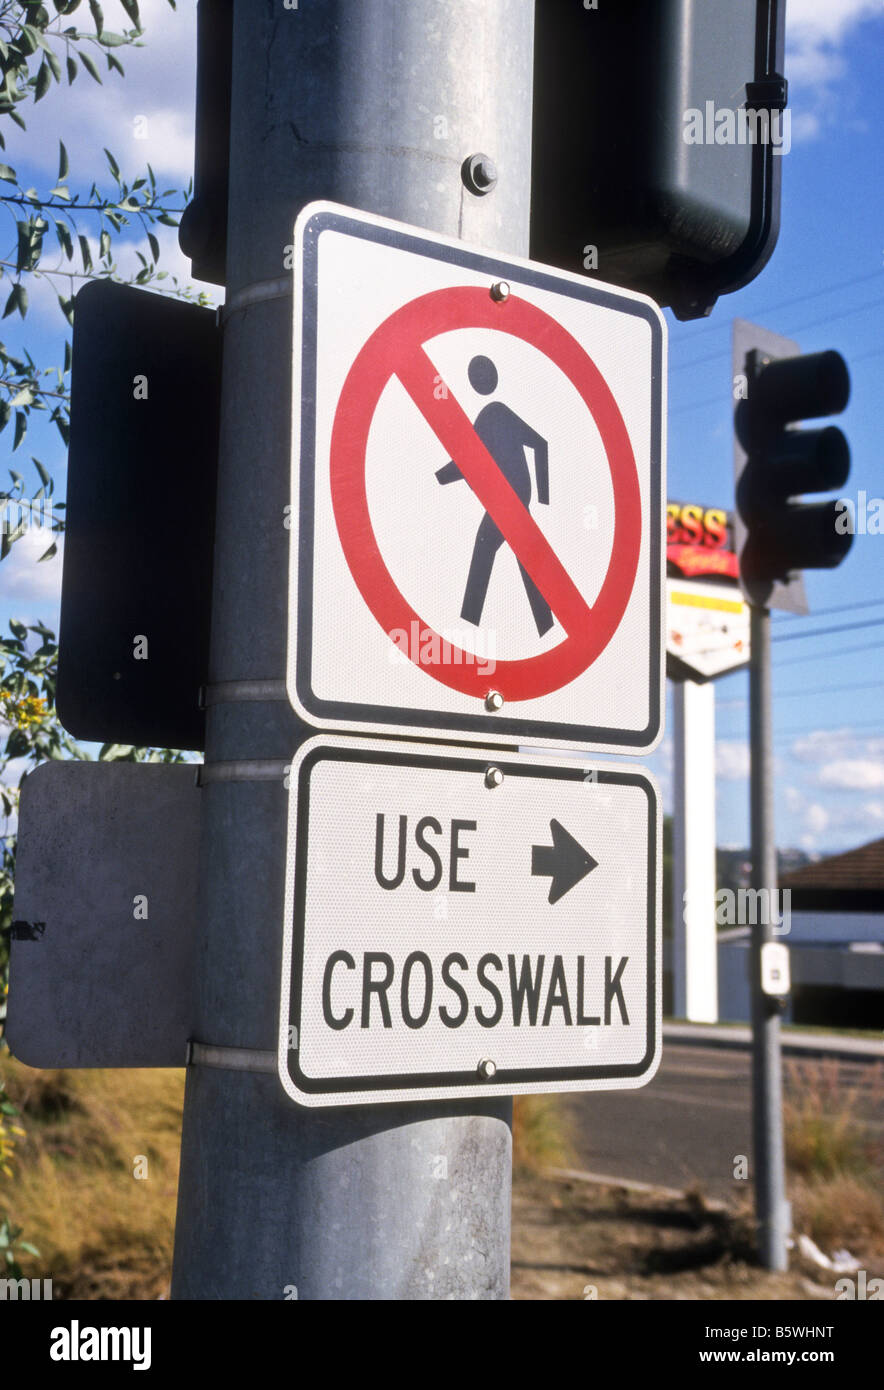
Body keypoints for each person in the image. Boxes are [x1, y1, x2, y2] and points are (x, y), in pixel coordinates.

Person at [435, 355, 553, 636]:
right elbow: (466, 463)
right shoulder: (486, 418)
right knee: (523, 559)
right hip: (508, 499)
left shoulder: (495, 413)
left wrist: (543, 497)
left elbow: (540, 443)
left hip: (509, 500)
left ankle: (467, 625)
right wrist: (437, 478)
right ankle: (547, 626)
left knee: (484, 548)